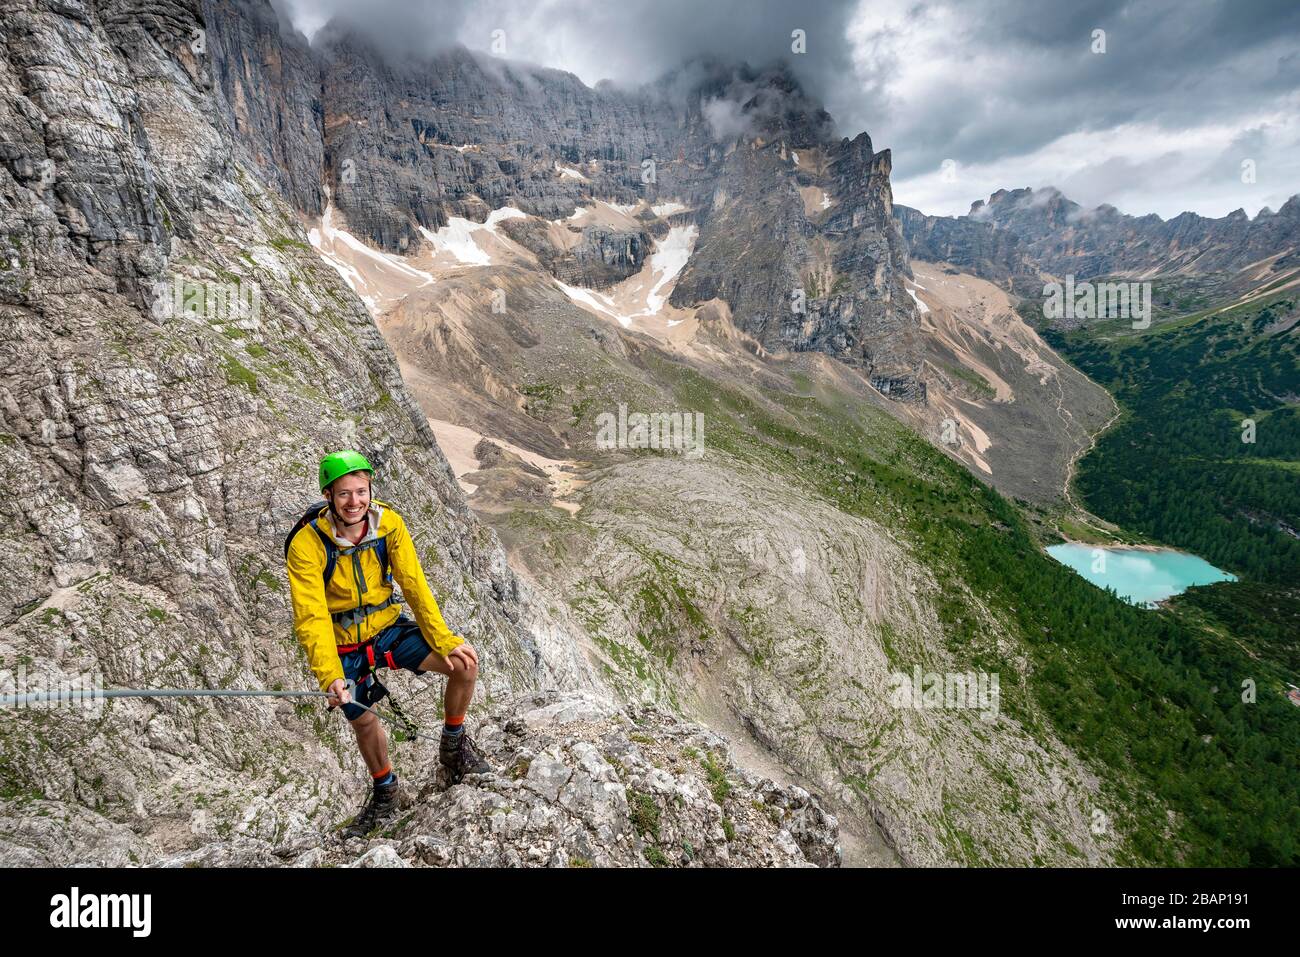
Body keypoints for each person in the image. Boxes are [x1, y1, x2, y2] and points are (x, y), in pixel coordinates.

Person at [286, 450, 491, 839]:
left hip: (387, 628)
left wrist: (444, 639)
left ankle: (453, 748)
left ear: (370, 491)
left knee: (464, 664)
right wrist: (331, 676)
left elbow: (414, 584)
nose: (354, 502)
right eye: (344, 493)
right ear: (329, 495)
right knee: (362, 717)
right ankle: (386, 791)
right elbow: (311, 616)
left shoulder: (388, 525)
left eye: (361, 492)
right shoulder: (307, 544)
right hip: (343, 642)